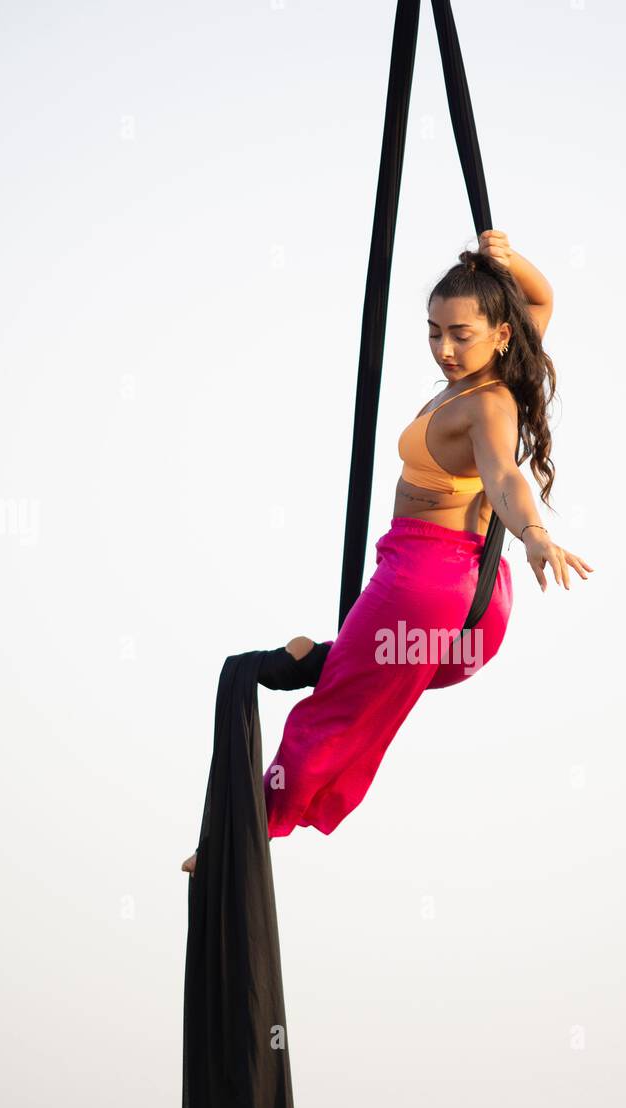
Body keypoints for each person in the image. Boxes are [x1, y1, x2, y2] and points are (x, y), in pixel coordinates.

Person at [182, 228, 592, 873]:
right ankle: (326, 661)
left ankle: (248, 832)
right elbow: (542, 302)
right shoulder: (482, 374)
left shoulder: (488, 404)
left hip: (430, 585)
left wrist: (536, 535)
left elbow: (503, 476)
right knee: (356, 682)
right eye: (434, 331)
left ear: (500, 335)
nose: (445, 348)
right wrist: (512, 263)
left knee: (336, 715)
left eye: (461, 334)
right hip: (443, 593)